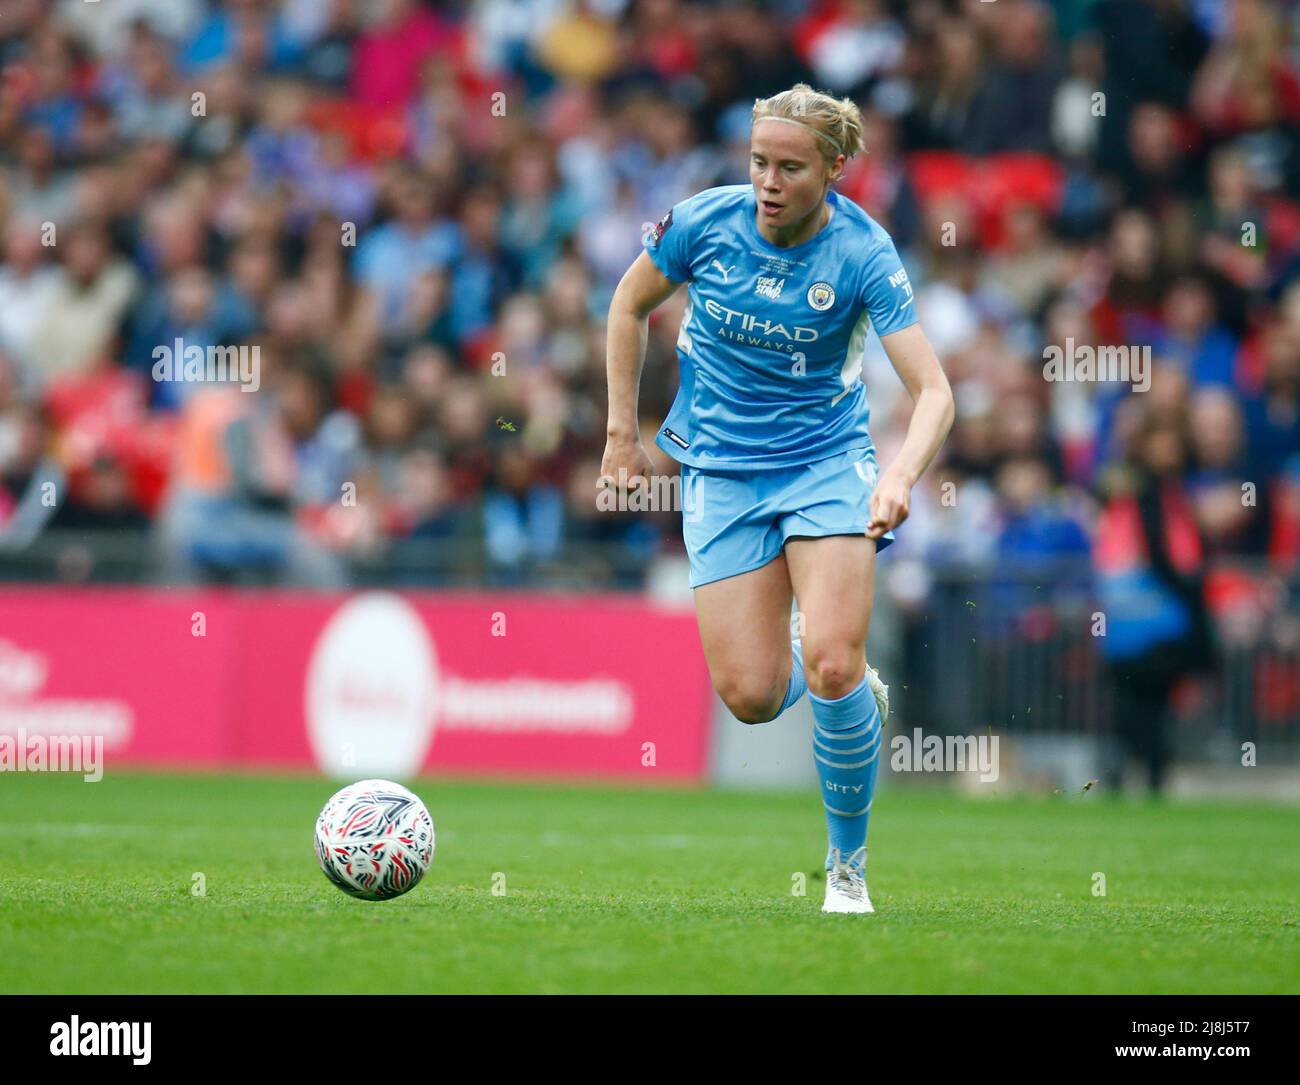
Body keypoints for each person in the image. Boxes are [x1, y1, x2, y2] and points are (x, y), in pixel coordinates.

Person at [602, 84, 953, 914]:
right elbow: (627, 305)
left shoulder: (865, 254)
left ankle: (846, 868)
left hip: (827, 465)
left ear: (832, 168)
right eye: (759, 161)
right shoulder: (701, 223)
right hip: (720, 472)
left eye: (789, 167)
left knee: (833, 656)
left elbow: (933, 391)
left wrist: (899, 476)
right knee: (753, 695)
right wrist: (621, 433)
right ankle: (847, 685)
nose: (768, 180)